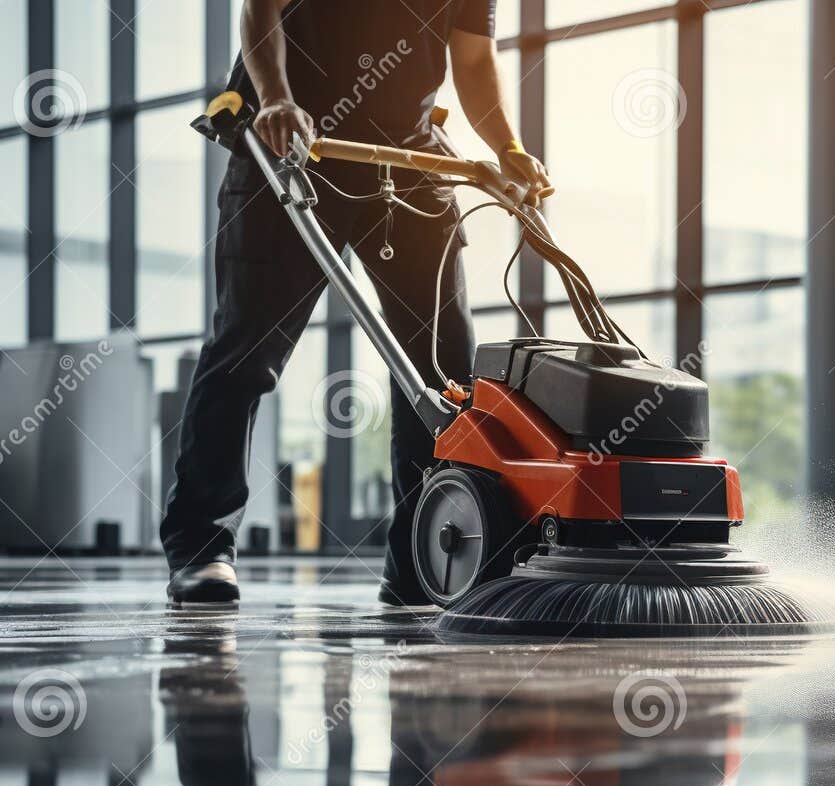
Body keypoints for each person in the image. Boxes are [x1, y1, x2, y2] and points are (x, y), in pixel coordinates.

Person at [161, 0, 550, 606]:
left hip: (407, 157)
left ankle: (423, 558)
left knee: (439, 370)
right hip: (284, 144)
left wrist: (507, 147)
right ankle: (201, 547)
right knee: (245, 352)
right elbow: (260, 12)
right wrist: (277, 97)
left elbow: (473, 59)